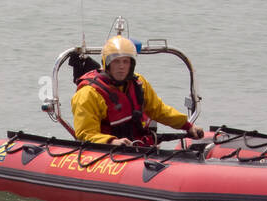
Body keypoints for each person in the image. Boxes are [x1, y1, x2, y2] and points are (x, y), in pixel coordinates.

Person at [71, 35, 204, 147]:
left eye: (125, 61)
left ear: (131, 64)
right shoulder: (89, 94)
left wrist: (187, 126)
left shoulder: (139, 83)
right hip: (108, 153)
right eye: (116, 62)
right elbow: (85, 134)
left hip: (139, 148)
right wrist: (112, 142)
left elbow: (159, 110)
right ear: (107, 63)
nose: (121, 67)